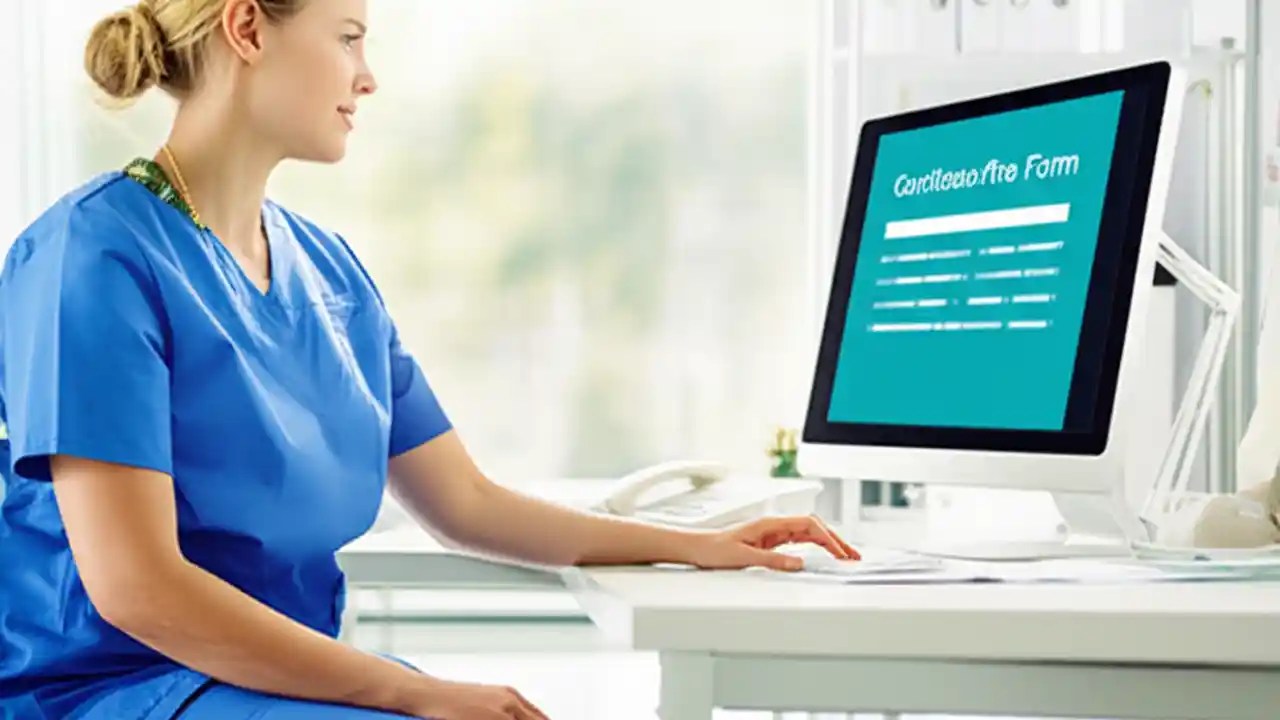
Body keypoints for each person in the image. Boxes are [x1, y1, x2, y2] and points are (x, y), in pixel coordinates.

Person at [0, 1, 858, 718]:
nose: (366, 75)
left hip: (284, 681)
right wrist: (415, 692)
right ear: (248, 30)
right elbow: (138, 591)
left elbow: (466, 502)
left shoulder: (327, 268)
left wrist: (690, 545)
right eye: (347, 37)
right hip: (118, 690)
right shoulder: (92, 257)